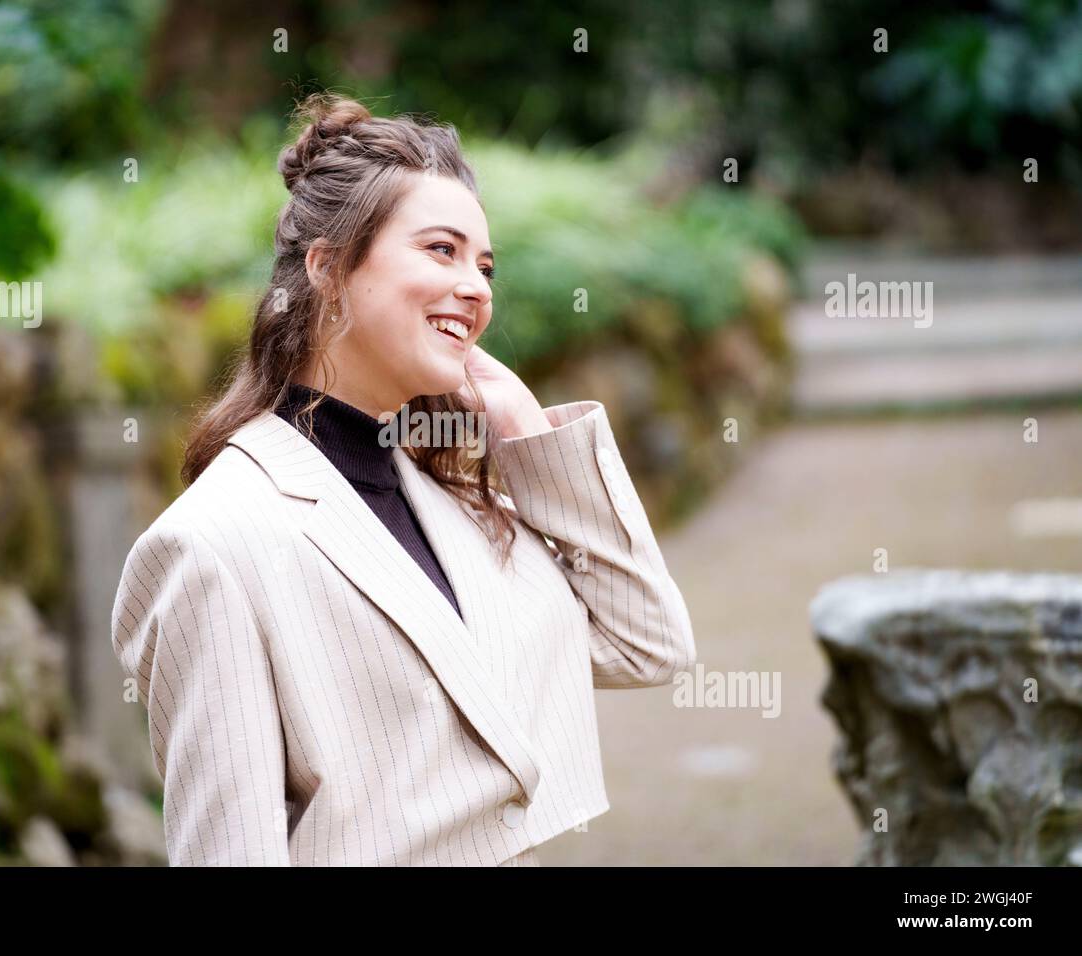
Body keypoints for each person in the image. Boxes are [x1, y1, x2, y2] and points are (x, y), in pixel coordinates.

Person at [110, 91, 696, 866]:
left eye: (485, 266)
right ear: (326, 268)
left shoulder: (451, 494)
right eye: (441, 251)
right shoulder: (213, 543)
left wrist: (524, 430)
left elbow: (647, 643)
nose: (479, 287)